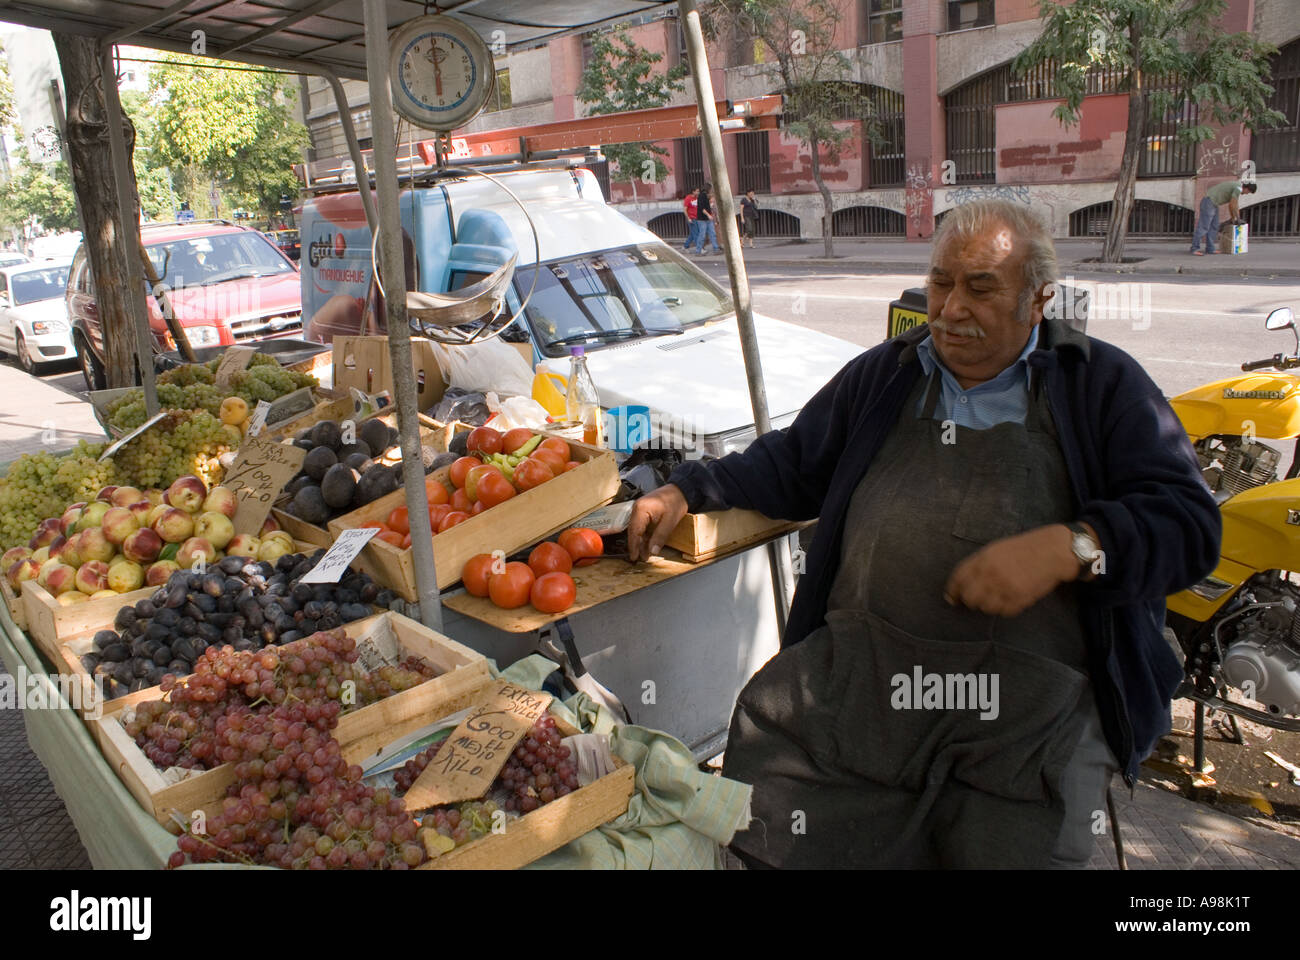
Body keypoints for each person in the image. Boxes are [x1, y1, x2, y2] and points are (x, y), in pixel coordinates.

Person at [627, 199, 1221, 869]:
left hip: (1032, 714)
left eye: (981, 287)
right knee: (773, 792)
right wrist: (689, 488)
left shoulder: (1100, 385)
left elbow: (1190, 525)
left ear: (1037, 300)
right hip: (865, 682)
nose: (951, 308)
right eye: (941, 282)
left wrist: (1075, 545)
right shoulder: (890, 373)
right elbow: (794, 463)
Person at [1191, 179, 1257, 255]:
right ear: (1246, 188)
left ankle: (1210, 249)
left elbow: (1234, 205)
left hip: (1213, 203)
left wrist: (1234, 218)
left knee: (1214, 227)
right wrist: (1236, 218)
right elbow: (1232, 205)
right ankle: (1194, 249)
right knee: (1204, 227)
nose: (1246, 193)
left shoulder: (1237, 187)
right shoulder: (1238, 188)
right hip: (1209, 202)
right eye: (1248, 192)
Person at [691, 183, 722, 254]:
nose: (711, 190)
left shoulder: (705, 196)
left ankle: (716, 248)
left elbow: (705, 207)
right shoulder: (702, 196)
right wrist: (708, 215)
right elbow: (702, 208)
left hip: (706, 218)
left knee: (712, 233)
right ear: (708, 189)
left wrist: (710, 208)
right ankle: (698, 250)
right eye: (710, 189)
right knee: (702, 234)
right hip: (702, 219)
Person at [682, 188, 700, 252]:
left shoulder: (697, 198)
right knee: (696, 233)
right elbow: (685, 209)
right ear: (693, 191)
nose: (698, 192)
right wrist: (688, 218)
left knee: (693, 233)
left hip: (697, 217)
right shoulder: (688, 198)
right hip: (691, 218)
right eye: (697, 191)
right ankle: (699, 248)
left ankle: (685, 246)